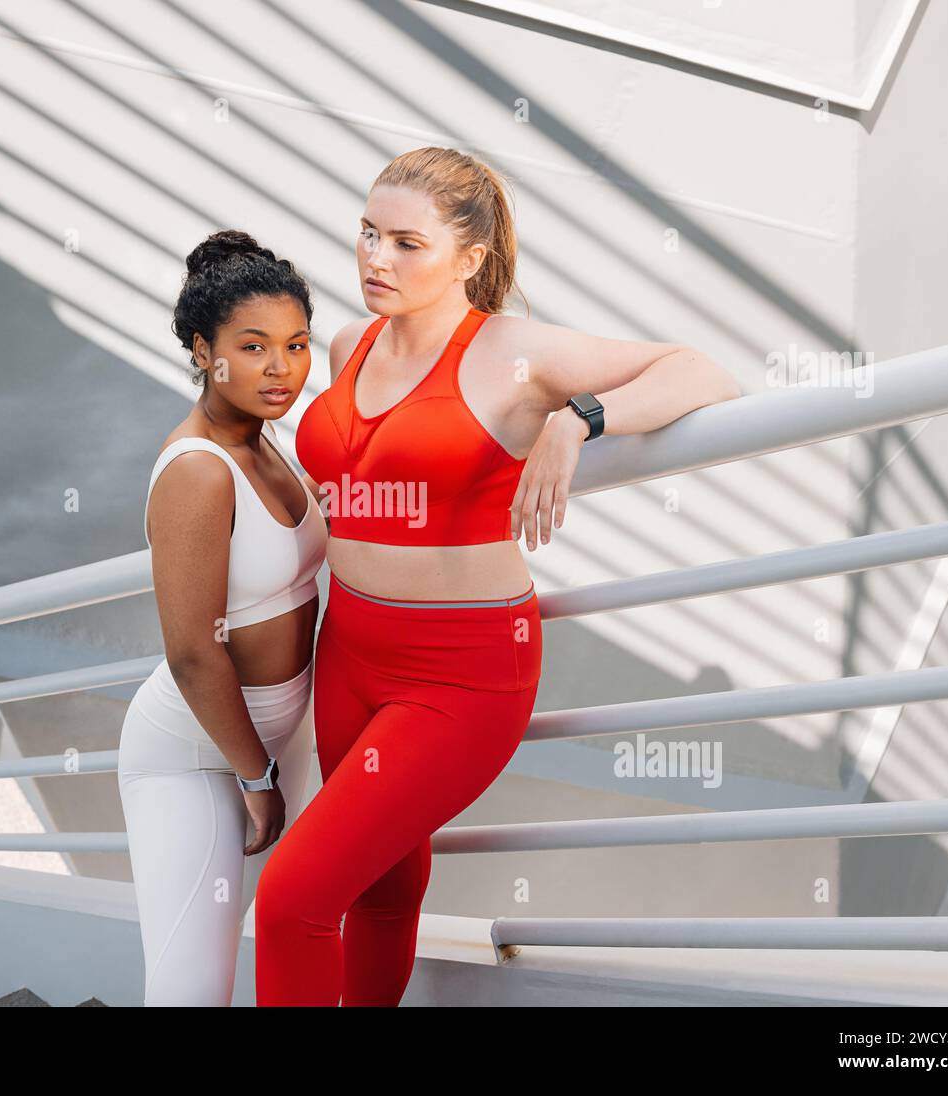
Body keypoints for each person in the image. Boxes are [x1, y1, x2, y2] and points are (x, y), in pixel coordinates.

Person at [253, 146, 741, 1006]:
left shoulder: (514, 355)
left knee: (292, 898)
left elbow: (702, 371)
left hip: (460, 675)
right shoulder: (347, 343)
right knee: (379, 888)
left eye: (407, 243)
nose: (375, 258)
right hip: (350, 646)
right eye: (368, 233)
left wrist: (579, 421)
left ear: (469, 260)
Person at [117, 230, 328, 1005]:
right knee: (191, 986)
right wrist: (257, 776)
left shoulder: (270, 444)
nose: (282, 369)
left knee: (308, 922)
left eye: (297, 345)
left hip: (282, 731)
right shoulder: (198, 472)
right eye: (254, 347)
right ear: (206, 351)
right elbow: (192, 654)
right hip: (198, 751)